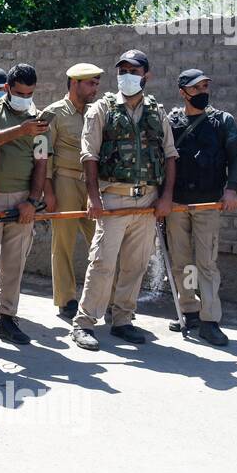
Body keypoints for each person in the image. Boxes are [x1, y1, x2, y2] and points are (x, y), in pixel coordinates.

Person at [69, 50, 178, 350]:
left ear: (146, 75)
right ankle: (84, 322)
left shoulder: (157, 111)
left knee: (135, 265)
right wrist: (93, 197)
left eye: (134, 70)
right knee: (102, 263)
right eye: (123, 70)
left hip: (147, 201)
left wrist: (166, 196)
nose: (127, 75)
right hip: (113, 200)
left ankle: (122, 320)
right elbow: (89, 155)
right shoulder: (102, 109)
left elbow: (170, 155)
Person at [164, 69, 237, 346]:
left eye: (206, 86)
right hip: (176, 204)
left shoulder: (222, 121)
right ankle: (189, 310)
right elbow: (164, 160)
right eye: (196, 88)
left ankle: (210, 320)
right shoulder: (171, 122)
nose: (203, 92)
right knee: (182, 264)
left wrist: (231, 189)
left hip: (208, 203)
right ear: (183, 92)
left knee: (206, 264)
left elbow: (234, 158)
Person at [0, 63, 52, 346]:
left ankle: (8, 318)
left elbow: (41, 163)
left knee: (14, 264)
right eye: (20, 92)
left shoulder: (40, 120)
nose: (26, 97)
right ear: (7, 89)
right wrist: (21, 131)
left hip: (22, 200)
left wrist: (33, 201)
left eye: (30, 93)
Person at [42, 64, 104, 319]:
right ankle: (66, 299)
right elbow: (42, 154)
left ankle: (102, 298)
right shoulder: (52, 113)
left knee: (101, 243)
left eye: (96, 84)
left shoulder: (96, 112)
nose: (95, 89)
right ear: (75, 83)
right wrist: (48, 191)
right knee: (63, 244)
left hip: (92, 185)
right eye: (91, 83)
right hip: (64, 182)